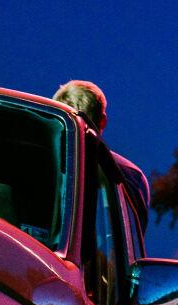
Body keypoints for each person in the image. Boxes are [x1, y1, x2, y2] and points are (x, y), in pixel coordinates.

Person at [53, 78, 152, 229]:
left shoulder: (41, 162)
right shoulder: (130, 175)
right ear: (103, 121)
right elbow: (130, 240)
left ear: (56, 119)